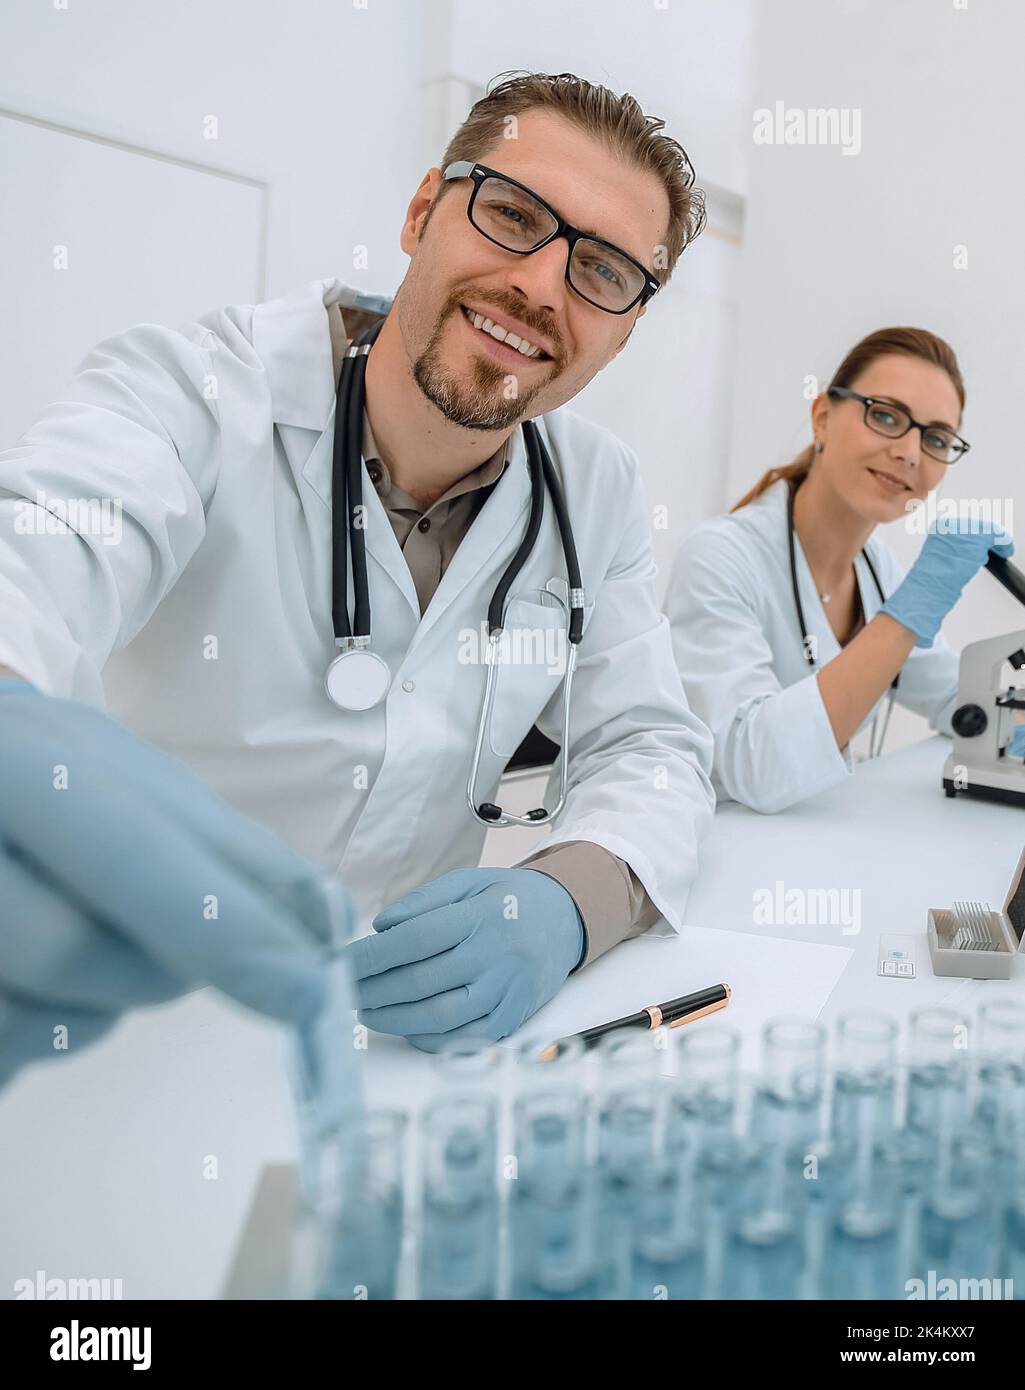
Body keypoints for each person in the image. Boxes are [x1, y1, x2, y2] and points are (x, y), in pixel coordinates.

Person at [0, 71, 716, 1066]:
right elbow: (39, 546)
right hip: (136, 1017)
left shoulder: (592, 489)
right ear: (423, 209)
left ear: (625, 324)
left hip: (405, 1038)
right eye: (512, 214)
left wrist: (571, 895)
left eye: (600, 272)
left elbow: (647, 743)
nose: (541, 286)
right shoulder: (198, 392)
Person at [664, 327, 1013, 814]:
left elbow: (956, 699)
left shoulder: (875, 570)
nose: (911, 453)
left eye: (936, 438)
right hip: (707, 847)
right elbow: (756, 765)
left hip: (811, 847)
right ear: (823, 417)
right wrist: (914, 611)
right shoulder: (720, 557)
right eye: (886, 415)